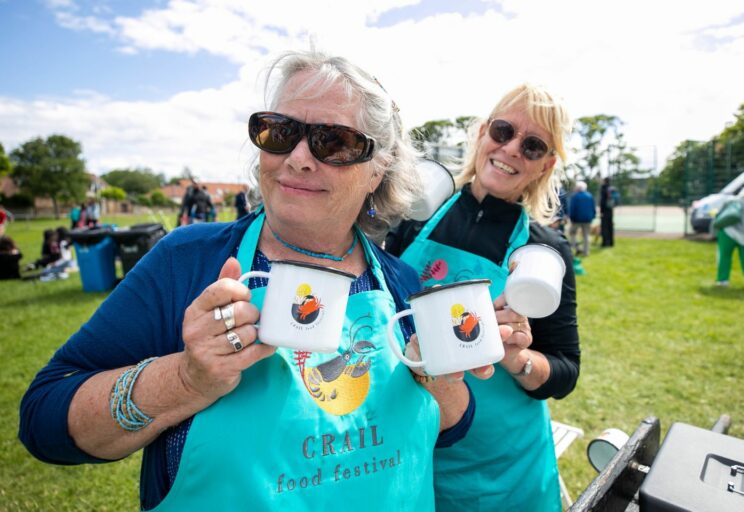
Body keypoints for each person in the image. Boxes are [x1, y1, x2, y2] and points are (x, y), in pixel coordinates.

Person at [19, 50, 502, 511]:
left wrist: (436, 373)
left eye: (334, 141)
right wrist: (185, 379)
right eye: (280, 132)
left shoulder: (399, 281)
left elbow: (452, 427)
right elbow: (44, 417)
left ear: (379, 170)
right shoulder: (187, 262)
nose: (298, 157)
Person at [386, 83, 580, 511]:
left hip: (505, 471)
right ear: (481, 133)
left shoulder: (544, 251)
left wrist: (516, 358)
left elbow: (565, 371)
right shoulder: (413, 221)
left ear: (546, 165)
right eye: (503, 131)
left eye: (532, 146)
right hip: (416, 448)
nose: (511, 149)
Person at [567, 180, 596, 256]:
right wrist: (593, 216)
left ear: (578, 188)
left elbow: (572, 208)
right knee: (586, 235)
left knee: (572, 233)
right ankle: (586, 252)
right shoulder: (590, 196)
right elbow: (593, 207)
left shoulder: (575, 196)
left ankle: (577, 248)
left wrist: (571, 217)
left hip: (576, 219)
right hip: (588, 219)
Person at [599, 176, 617, 247]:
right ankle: (611, 242)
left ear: (604, 181)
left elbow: (602, 201)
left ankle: (605, 242)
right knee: (610, 226)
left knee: (605, 227)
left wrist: (601, 211)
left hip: (605, 210)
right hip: (610, 209)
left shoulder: (604, 188)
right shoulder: (612, 188)